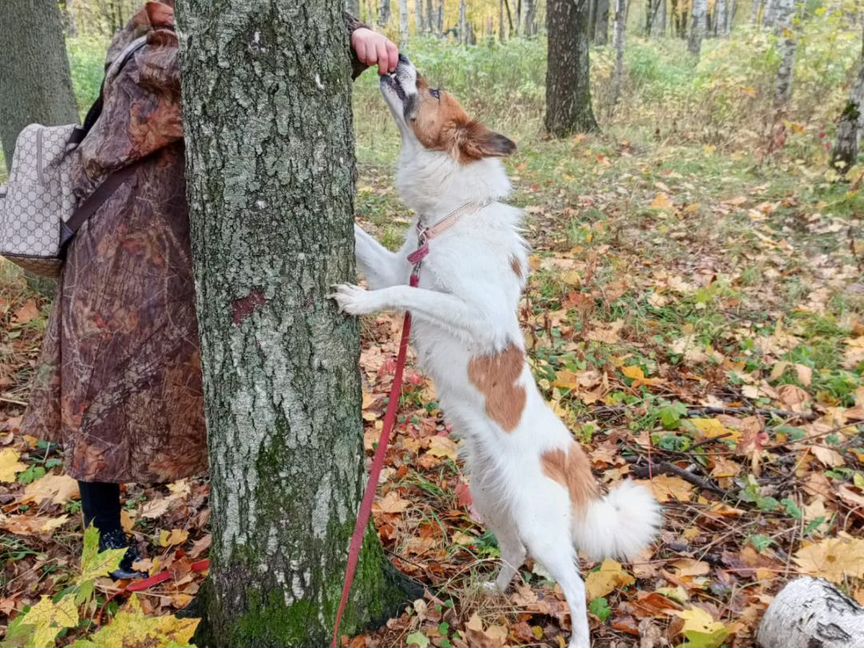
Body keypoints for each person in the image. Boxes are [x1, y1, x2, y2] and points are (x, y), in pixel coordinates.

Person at [21, 0, 398, 579]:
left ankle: (131, 529)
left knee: (139, 386)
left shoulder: (156, 40)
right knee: (102, 397)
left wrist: (355, 29)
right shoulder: (155, 55)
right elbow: (256, 66)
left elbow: (275, 51)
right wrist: (353, 35)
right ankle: (105, 541)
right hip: (118, 254)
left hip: (150, 248)